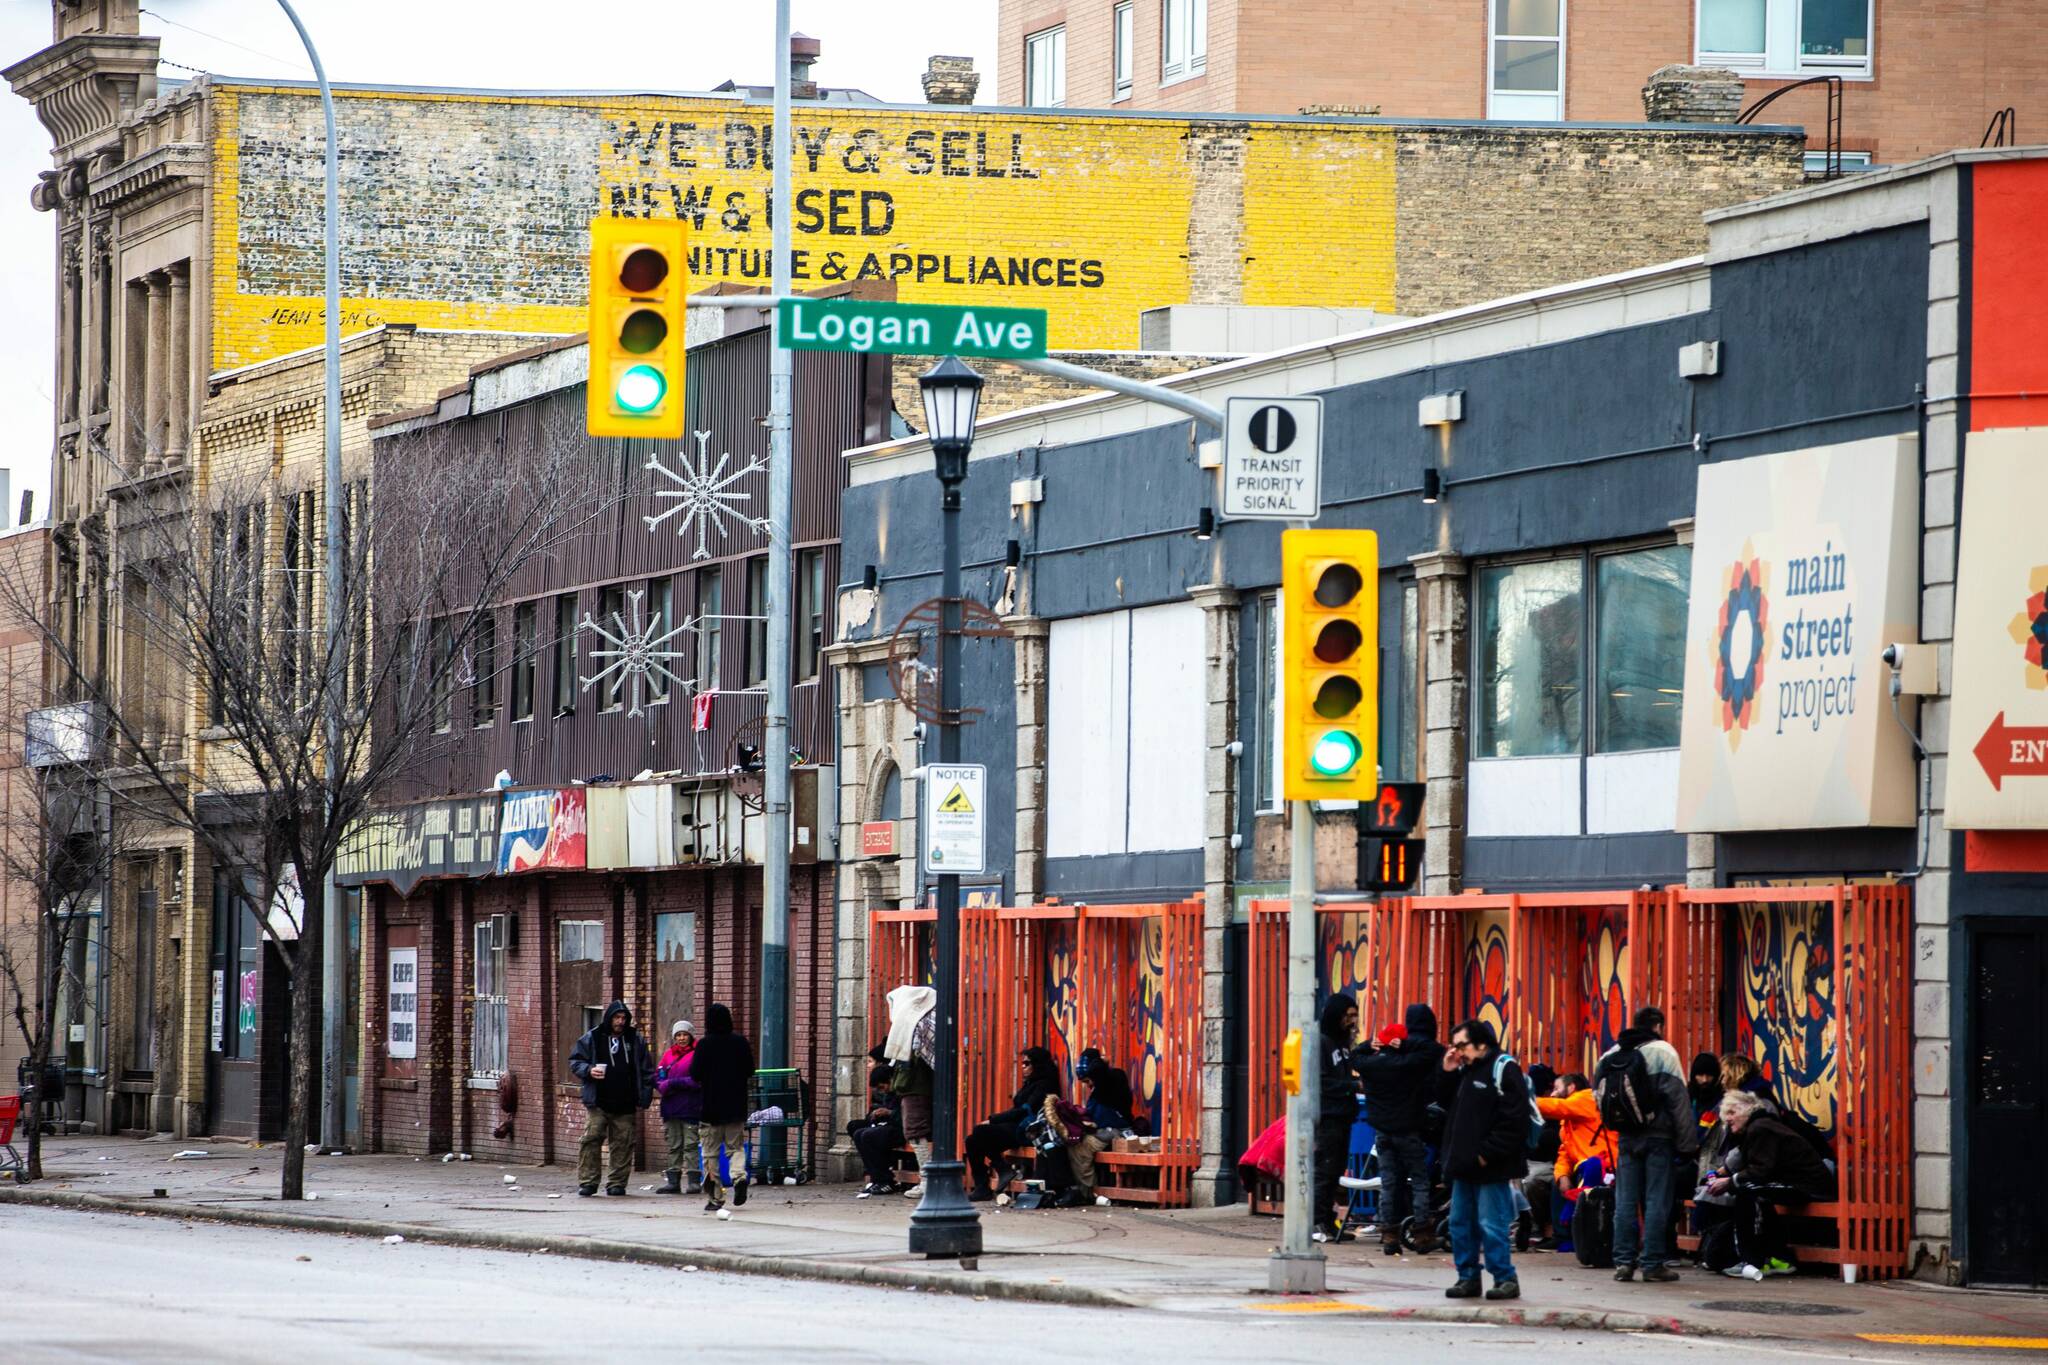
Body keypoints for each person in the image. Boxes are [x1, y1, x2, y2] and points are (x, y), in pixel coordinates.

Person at [1595, 1005, 1699, 1284]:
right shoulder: (1664, 1052)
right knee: (1656, 1199)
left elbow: (1599, 1100)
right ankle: (1653, 1264)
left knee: (1625, 1200)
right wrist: (1688, 1145)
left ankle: (1624, 1263)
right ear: (1658, 1026)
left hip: (1626, 1138)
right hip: (1658, 1137)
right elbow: (1679, 1101)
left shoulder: (1610, 1055)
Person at [1702, 1089, 1837, 1280]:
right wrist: (1727, 1176)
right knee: (1755, 1193)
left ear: (1746, 1110)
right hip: (1800, 1183)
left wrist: (1730, 1182)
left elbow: (1759, 1171)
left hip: (1806, 1185)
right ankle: (1779, 1257)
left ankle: (1752, 1261)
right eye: (1726, 1115)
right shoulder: (1761, 1126)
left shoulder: (1760, 1128)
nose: (1728, 1119)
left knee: (1749, 1191)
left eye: (1732, 1113)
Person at [1441, 1019, 1526, 1301]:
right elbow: (1444, 1109)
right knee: (1460, 1223)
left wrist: (1485, 1154)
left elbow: (1514, 1120)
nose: (1458, 1052)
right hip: (1465, 1166)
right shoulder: (1466, 1072)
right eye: (1454, 1046)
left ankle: (1505, 1278)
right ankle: (1468, 1277)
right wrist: (1448, 1072)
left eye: (1461, 1045)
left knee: (1492, 1224)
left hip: (1491, 1165)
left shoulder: (1504, 1068)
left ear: (1481, 1043)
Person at [1353, 1003, 1445, 1254]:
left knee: (1389, 1183)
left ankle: (1390, 1236)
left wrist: (1367, 1045)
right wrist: (1406, 1045)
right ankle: (1422, 1234)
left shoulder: (1370, 1065)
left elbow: (1354, 1056)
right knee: (1419, 1181)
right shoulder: (1409, 1063)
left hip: (1382, 1132)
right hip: (1409, 1130)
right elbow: (1435, 1050)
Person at [567, 1000, 655, 1198]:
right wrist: (589, 1070)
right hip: (599, 1100)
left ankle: (617, 1183)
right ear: (609, 1018)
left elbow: (646, 1069)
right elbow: (575, 1061)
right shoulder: (594, 1037)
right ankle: (588, 1181)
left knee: (623, 1142)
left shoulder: (635, 1039)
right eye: (617, 1017)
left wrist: (645, 1095)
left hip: (625, 1101)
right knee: (591, 1139)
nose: (620, 1022)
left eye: (624, 1018)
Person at [1535, 1071, 1616, 1252]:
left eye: (1557, 1088)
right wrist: (1562, 1175)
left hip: (1605, 1166)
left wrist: (1524, 1100)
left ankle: (1569, 1238)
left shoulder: (1585, 1099)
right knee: (1559, 1183)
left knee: (1572, 1182)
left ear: (1571, 1087)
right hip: (1584, 1165)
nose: (1553, 1094)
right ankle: (1564, 1238)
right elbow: (1565, 1151)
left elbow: (1556, 1107)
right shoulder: (1570, 1118)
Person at [966, 1046, 1059, 1200]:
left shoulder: (1045, 1084)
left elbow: (1024, 1111)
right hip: (1016, 1126)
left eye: (1027, 1063)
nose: (1023, 1067)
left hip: (1028, 1130)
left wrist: (992, 1119)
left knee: (980, 1132)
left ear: (1037, 1064)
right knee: (971, 1140)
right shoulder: (1030, 1083)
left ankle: (1002, 1170)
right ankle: (983, 1186)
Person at [690, 1002, 756, 1212]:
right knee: (735, 1148)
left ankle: (716, 1197)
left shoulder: (704, 1045)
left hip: (710, 1107)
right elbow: (750, 1070)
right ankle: (739, 1177)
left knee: (710, 1154)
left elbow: (695, 1074)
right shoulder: (740, 1042)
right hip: (735, 1106)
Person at [1056, 1049, 1136, 1206]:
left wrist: (1099, 1063)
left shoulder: (1114, 1078)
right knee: (1072, 1142)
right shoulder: (1100, 1086)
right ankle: (1080, 1189)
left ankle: (1086, 1192)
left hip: (1117, 1130)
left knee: (1081, 1147)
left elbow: (1098, 1071)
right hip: (1104, 1130)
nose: (1088, 1085)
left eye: (1088, 1081)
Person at [1313, 992, 1361, 1243]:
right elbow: (1321, 1081)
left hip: (1343, 1114)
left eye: (1355, 1015)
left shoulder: (1343, 1044)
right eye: (1349, 1015)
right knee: (1325, 1169)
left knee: (1334, 1171)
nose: (1353, 1020)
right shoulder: (1321, 1042)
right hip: (1327, 1115)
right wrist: (1352, 1086)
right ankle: (1316, 1221)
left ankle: (1328, 1219)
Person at [881, 985, 937, 1197]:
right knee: (916, 1131)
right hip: (917, 1086)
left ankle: (927, 1180)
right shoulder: (927, 1020)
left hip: (915, 1087)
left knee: (915, 1131)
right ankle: (928, 1178)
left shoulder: (913, 1023)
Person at [654, 1020, 703, 1196]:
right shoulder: (668, 1055)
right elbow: (659, 1076)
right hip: (671, 1108)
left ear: (691, 1036)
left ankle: (693, 1181)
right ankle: (673, 1181)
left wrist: (672, 1083)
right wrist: (660, 1084)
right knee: (674, 1145)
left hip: (690, 1107)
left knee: (690, 1144)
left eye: (685, 1035)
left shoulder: (697, 1054)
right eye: (678, 1035)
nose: (681, 1038)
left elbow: (698, 1080)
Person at [851, 1047, 907, 1197]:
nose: (883, 1091)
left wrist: (889, 1113)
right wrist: (877, 1114)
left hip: (902, 1128)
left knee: (868, 1136)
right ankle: (877, 1178)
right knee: (858, 1133)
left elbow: (905, 1114)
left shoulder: (900, 1090)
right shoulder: (888, 1093)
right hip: (891, 1125)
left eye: (883, 1087)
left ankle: (885, 1181)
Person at [1521, 1063, 1560, 1244]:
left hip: (1551, 1162)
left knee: (1531, 1179)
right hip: (1533, 1159)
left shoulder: (1557, 1109)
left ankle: (1543, 1226)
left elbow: (1548, 1143)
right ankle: (1522, 1224)